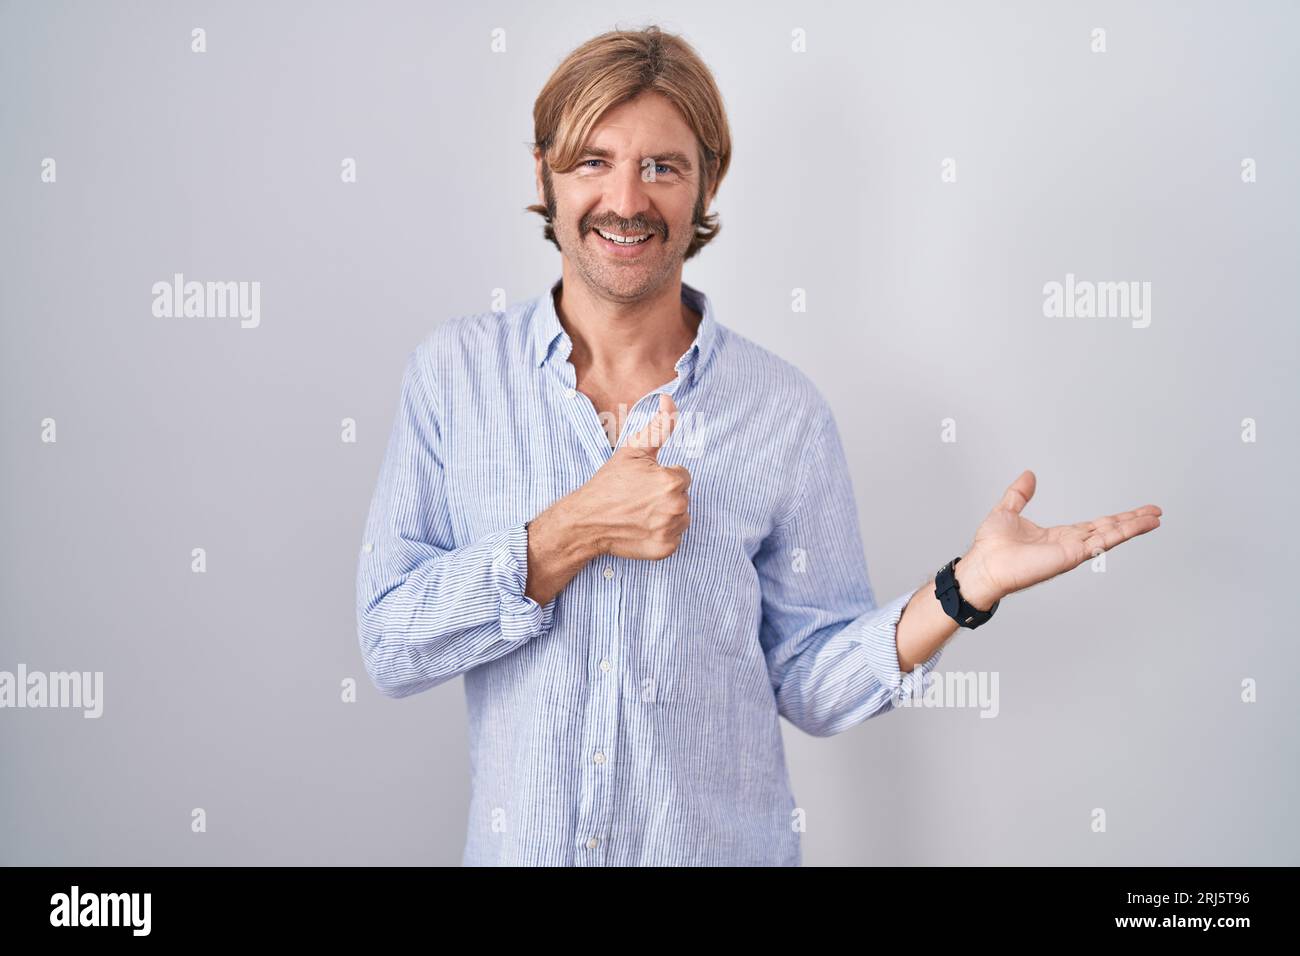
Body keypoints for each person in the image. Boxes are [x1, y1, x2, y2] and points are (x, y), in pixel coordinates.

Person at [354, 25, 1162, 866]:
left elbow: (809, 681)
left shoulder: (782, 412)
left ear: (708, 181)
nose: (626, 200)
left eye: (661, 166)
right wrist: (575, 530)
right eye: (594, 160)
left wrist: (966, 589)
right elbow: (391, 645)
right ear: (543, 173)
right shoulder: (453, 375)